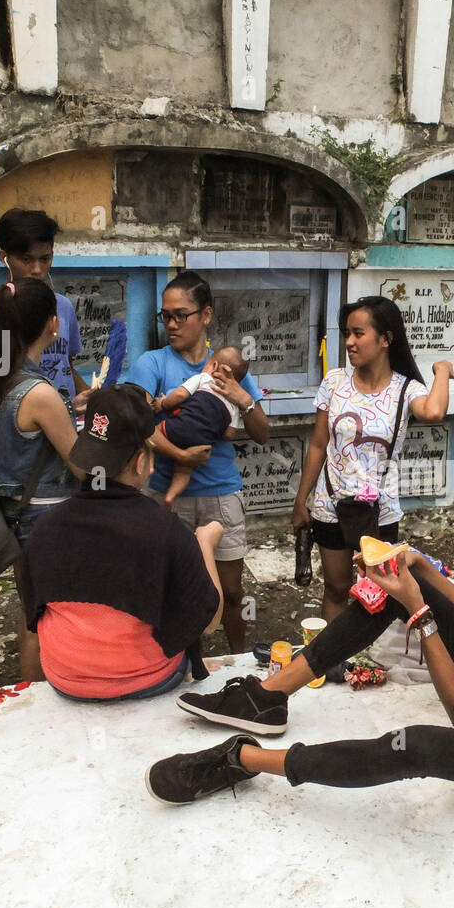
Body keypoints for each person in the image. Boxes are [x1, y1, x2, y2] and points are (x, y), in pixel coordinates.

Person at [146, 434, 454, 804]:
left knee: (411, 747)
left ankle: (242, 759)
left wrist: (420, 612)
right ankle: (269, 695)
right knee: (395, 586)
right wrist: (417, 566)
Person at [176, 393, 454, 734]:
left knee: (400, 589)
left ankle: (271, 695)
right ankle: (274, 694)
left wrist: (418, 602)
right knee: (406, 577)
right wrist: (426, 570)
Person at [17, 385, 226, 702]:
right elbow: (210, 620)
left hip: (65, 679)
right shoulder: (166, 530)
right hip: (147, 679)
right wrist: (204, 543)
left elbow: (36, 614)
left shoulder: (45, 528)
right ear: (142, 462)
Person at [124, 272, 270, 654]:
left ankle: (238, 660)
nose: (171, 324)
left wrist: (242, 398)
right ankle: (181, 664)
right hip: (167, 496)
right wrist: (179, 455)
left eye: (180, 315)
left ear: (206, 314)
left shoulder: (227, 367)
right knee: (173, 588)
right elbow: (135, 424)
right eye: (165, 316)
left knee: (233, 591)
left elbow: (261, 433)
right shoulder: (152, 363)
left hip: (221, 494)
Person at [291, 296, 454, 621]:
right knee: (336, 589)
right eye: (347, 334)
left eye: (358, 333)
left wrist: (441, 370)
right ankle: (334, 663)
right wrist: (301, 501)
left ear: (385, 339)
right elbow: (318, 445)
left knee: (376, 592)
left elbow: (434, 411)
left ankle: (367, 664)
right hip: (331, 504)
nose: (349, 342)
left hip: (379, 510)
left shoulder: (405, 389)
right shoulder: (334, 382)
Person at [0, 279, 82, 682]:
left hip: (14, 514)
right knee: (55, 615)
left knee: (33, 613)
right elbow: (81, 465)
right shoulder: (39, 393)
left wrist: (69, 407)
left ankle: (30, 696)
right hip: (49, 518)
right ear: (53, 324)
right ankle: (49, 695)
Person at [0, 208, 90, 410]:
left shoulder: (63, 307)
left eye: (44, 259)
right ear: (5, 258)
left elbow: (66, 367)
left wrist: (92, 396)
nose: (36, 269)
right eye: (26, 260)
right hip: (16, 433)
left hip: (66, 422)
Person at [155, 346, 250, 508]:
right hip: (200, 442)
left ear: (213, 366)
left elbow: (179, 395)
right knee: (184, 470)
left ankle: (148, 467)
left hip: (178, 427)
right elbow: (228, 434)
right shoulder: (234, 405)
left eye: (208, 363)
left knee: (153, 433)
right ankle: (171, 495)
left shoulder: (203, 379)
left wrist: (162, 404)